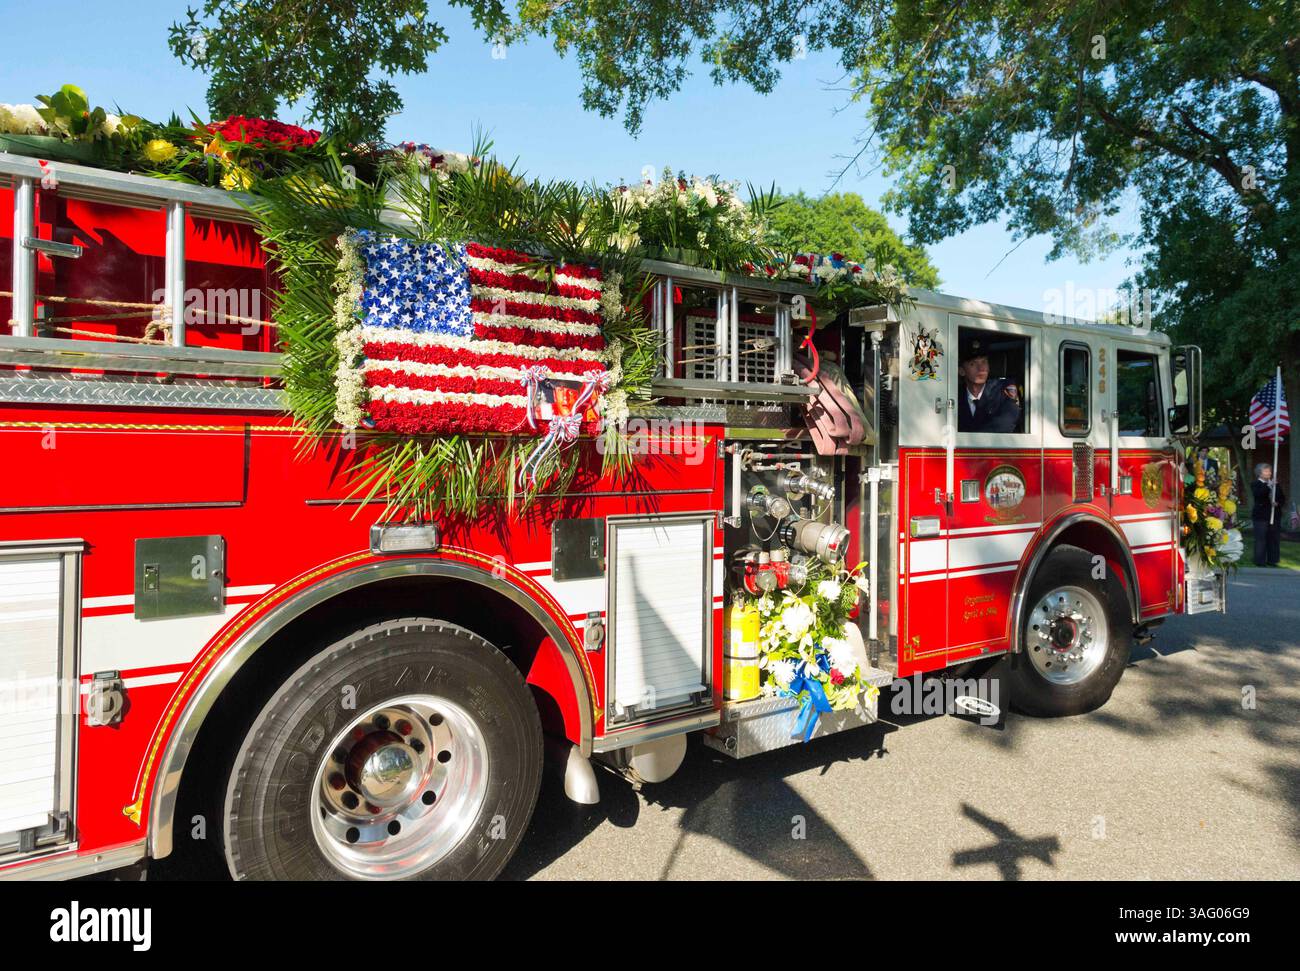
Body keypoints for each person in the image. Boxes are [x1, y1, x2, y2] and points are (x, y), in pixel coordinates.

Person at [957, 335, 1022, 433]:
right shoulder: (955, 394)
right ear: (961, 371)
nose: (981, 368)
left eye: (984, 362)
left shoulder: (1003, 389)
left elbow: (1005, 424)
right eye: (973, 364)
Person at [1251, 463, 1286, 567]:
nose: (1269, 473)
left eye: (1270, 471)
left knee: (1274, 538)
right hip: (1261, 516)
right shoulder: (1256, 483)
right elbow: (1259, 494)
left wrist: (1278, 503)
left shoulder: (1275, 484)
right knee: (1261, 538)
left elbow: (1282, 498)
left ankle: (1273, 560)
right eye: (1266, 471)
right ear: (1259, 473)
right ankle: (1260, 561)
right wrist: (1269, 486)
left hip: (1274, 515)